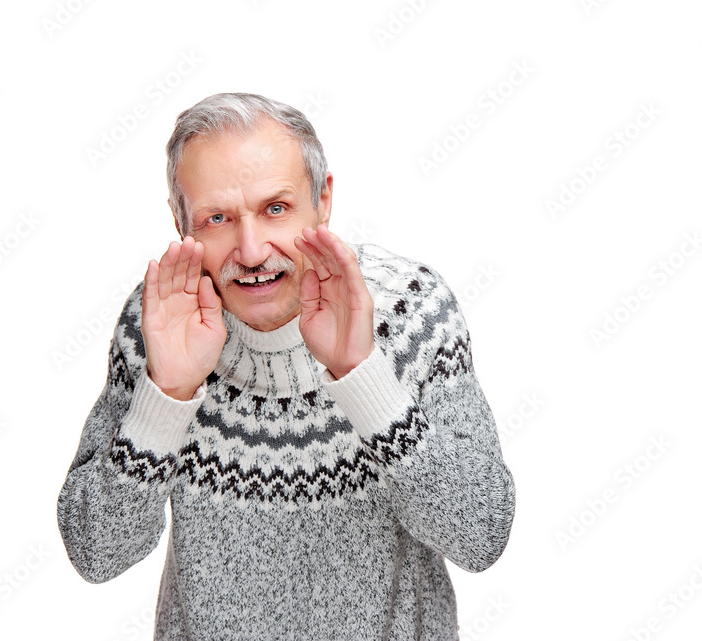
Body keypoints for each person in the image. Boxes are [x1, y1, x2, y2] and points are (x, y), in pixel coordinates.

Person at [56, 92, 515, 640]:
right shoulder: (159, 320)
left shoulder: (412, 309)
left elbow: (481, 535)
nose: (250, 250)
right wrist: (168, 394)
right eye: (217, 218)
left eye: (276, 208)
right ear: (183, 224)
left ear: (323, 200)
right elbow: (96, 553)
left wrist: (362, 375)